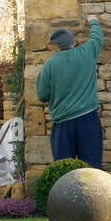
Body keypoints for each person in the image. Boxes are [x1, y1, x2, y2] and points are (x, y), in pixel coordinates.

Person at [35, 16, 105, 167]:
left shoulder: (49, 65)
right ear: (73, 41)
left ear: (57, 45)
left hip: (62, 124)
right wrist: (92, 20)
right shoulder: (86, 53)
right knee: (91, 168)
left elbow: (42, 95)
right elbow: (97, 37)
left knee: (64, 170)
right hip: (88, 119)